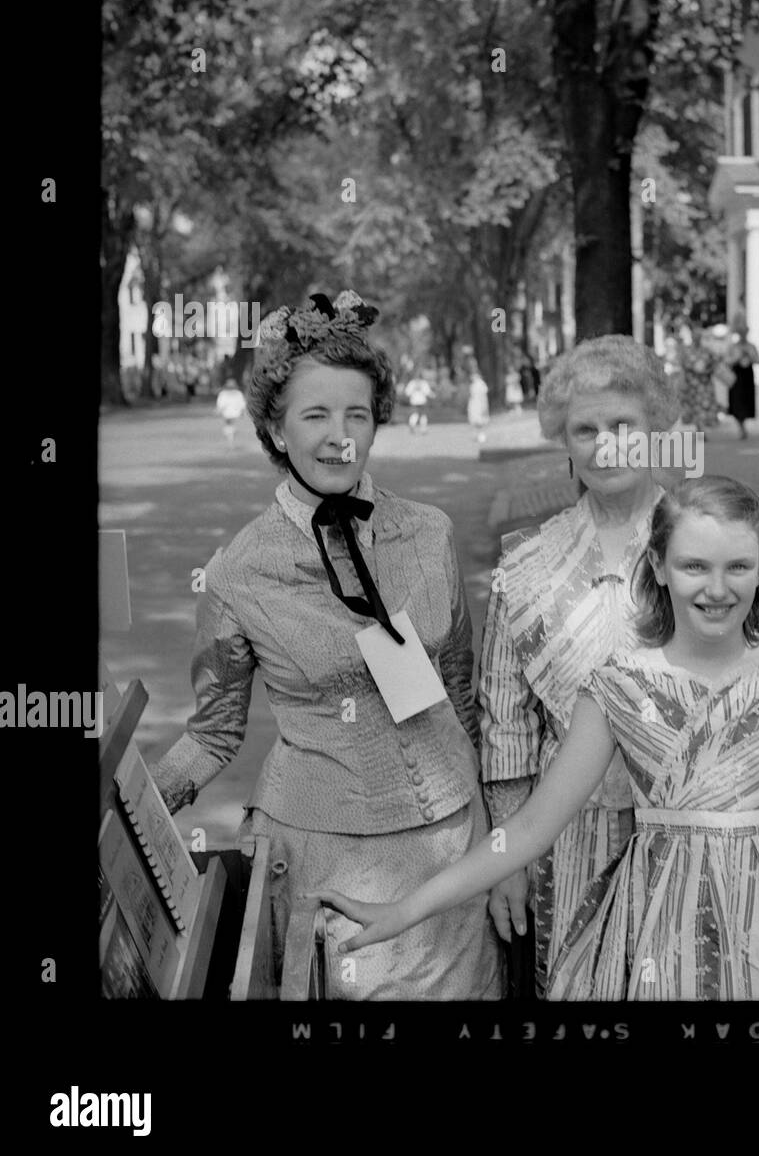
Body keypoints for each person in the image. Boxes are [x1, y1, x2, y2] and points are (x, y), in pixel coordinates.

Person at [310, 476, 759, 1001]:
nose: (717, 588)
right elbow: (528, 829)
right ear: (659, 567)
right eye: (694, 566)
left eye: (738, 567)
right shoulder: (619, 687)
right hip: (666, 940)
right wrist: (405, 908)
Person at [149, 291, 501, 1000]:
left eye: (357, 415)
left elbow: (464, 692)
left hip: (452, 856)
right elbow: (214, 732)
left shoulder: (429, 532)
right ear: (276, 432)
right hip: (324, 861)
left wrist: (504, 844)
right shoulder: (237, 570)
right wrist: (136, 807)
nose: (340, 436)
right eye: (315, 415)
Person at [475, 336, 676, 997]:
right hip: (567, 837)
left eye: (623, 424)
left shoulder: (710, 543)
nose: (606, 443)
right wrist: (506, 859)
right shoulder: (526, 565)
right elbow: (506, 727)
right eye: (585, 429)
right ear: (561, 438)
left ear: (658, 426)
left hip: (686, 825)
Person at [676, 321, 719, 436]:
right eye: (695, 336)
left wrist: (707, 370)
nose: (697, 338)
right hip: (692, 384)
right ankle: (699, 427)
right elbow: (683, 365)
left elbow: (715, 363)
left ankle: (702, 428)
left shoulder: (707, 351)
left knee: (703, 406)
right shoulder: (687, 350)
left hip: (704, 384)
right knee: (694, 407)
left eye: (698, 336)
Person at [724, 315, 758, 439]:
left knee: (746, 400)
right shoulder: (733, 347)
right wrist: (737, 358)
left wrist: (750, 355)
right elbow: (727, 361)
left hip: (748, 375)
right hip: (736, 375)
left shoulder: (751, 346)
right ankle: (740, 426)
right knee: (736, 401)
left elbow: (757, 359)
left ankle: (743, 424)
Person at [215, 377, 246, 447]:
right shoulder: (238, 393)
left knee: (228, 426)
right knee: (230, 427)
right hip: (235, 413)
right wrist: (242, 412)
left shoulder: (223, 394)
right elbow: (242, 405)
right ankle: (231, 436)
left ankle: (230, 439)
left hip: (227, 413)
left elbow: (220, 405)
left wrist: (218, 411)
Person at [466, 363, 490, 444]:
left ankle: (482, 435)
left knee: (480, 421)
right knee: (475, 421)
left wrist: (484, 406)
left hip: (479, 404)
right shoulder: (473, 384)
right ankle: (477, 435)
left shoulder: (481, 384)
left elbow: (483, 396)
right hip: (474, 404)